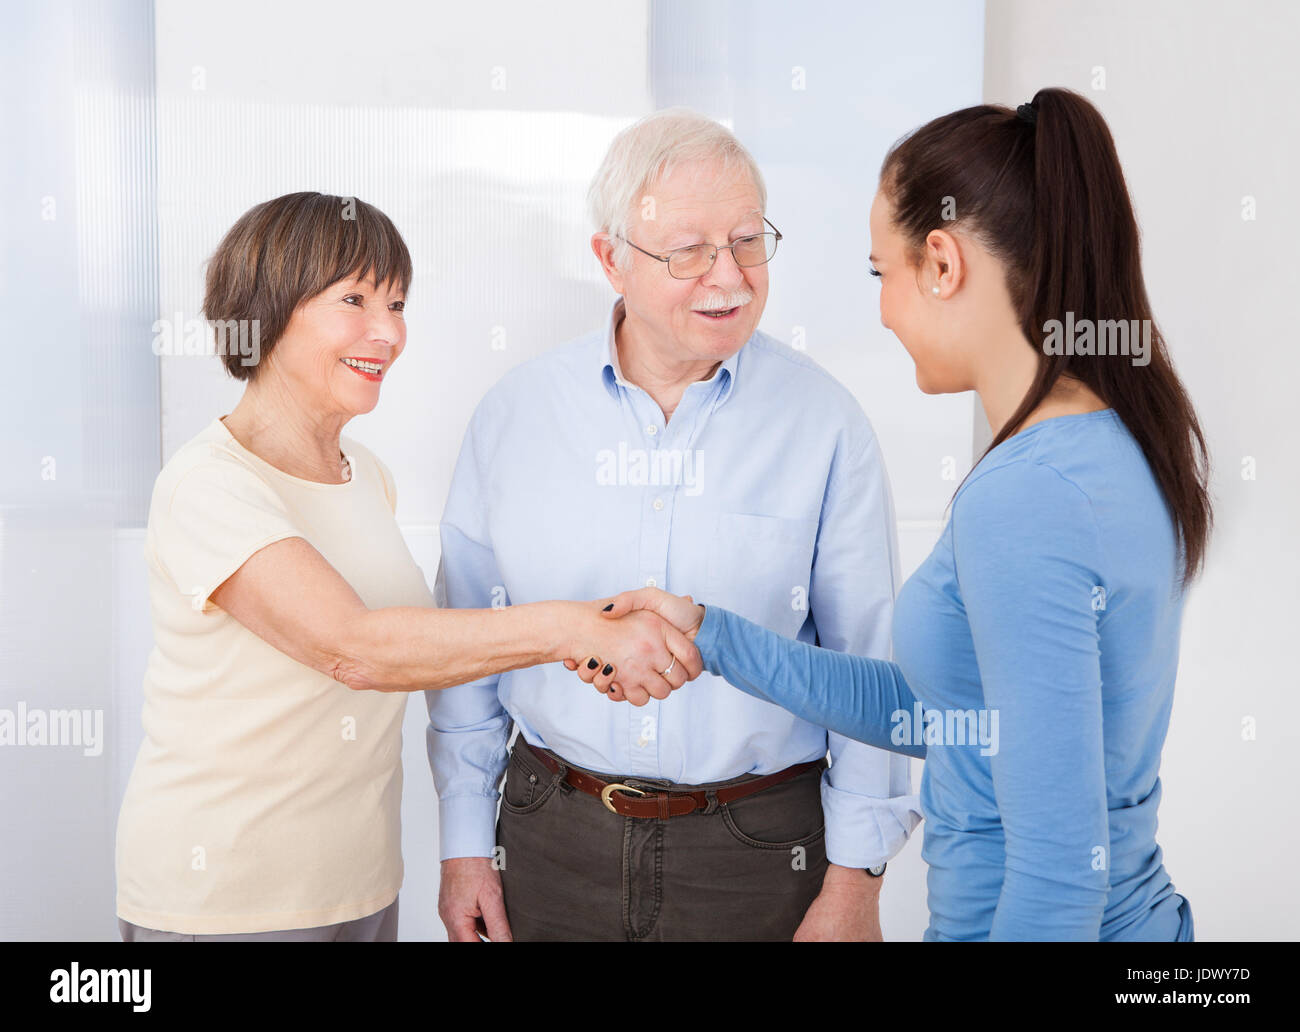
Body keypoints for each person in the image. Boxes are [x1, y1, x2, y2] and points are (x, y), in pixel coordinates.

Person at [576, 89, 1212, 942]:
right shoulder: (1114, 444)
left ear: (942, 263)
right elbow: (944, 714)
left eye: (885, 273)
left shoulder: (1025, 498)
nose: (882, 310)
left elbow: (1061, 867)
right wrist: (709, 632)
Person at [115, 191, 698, 942]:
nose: (387, 332)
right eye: (353, 299)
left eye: (396, 304)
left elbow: (420, 642)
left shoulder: (364, 473)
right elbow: (354, 649)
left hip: (355, 885)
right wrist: (570, 630)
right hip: (228, 897)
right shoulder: (211, 485)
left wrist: (593, 638)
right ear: (268, 306)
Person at [428, 109, 921, 942]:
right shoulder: (515, 416)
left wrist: (855, 885)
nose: (728, 277)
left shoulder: (826, 424)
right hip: (552, 834)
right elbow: (469, 649)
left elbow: (867, 664)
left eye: (747, 241)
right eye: (687, 251)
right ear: (610, 259)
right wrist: (466, 848)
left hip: (760, 849)